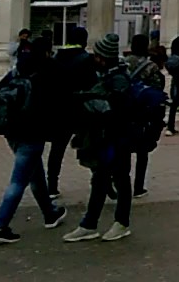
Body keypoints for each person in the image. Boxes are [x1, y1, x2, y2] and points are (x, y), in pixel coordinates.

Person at [0, 41, 67, 244]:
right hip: (33, 133)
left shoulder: (18, 70)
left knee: (35, 174)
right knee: (19, 181)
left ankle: (49, 213)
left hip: (12, 132)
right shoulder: (47, 73)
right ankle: (0, 226)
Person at [64, 33, 133, 242]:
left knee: (119, 179)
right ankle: (90, 223)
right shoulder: (109, 74)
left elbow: (117, 108)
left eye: (97, 56)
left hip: (117, 137)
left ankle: (119, 223)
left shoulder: (118, 78)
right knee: (102, 179)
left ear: (104, 57)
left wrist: (92, 101)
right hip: (107, 136)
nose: (94, 59)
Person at [47, 27, 97, 199]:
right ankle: (99, 179)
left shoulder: (56, 57)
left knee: (57, 149)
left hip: (59, 108)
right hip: (81, 108)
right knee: (91, 144)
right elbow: (92, 83)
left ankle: (52, 185)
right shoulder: (86, 59)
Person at [124, 34, 165, 198]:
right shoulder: (150, 66)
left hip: (125, 111)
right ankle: (139, 186)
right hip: (143, 113)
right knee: (142, 151)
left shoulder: (123, 63)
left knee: (124, 149)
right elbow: (157, 89)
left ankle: (122, 182)